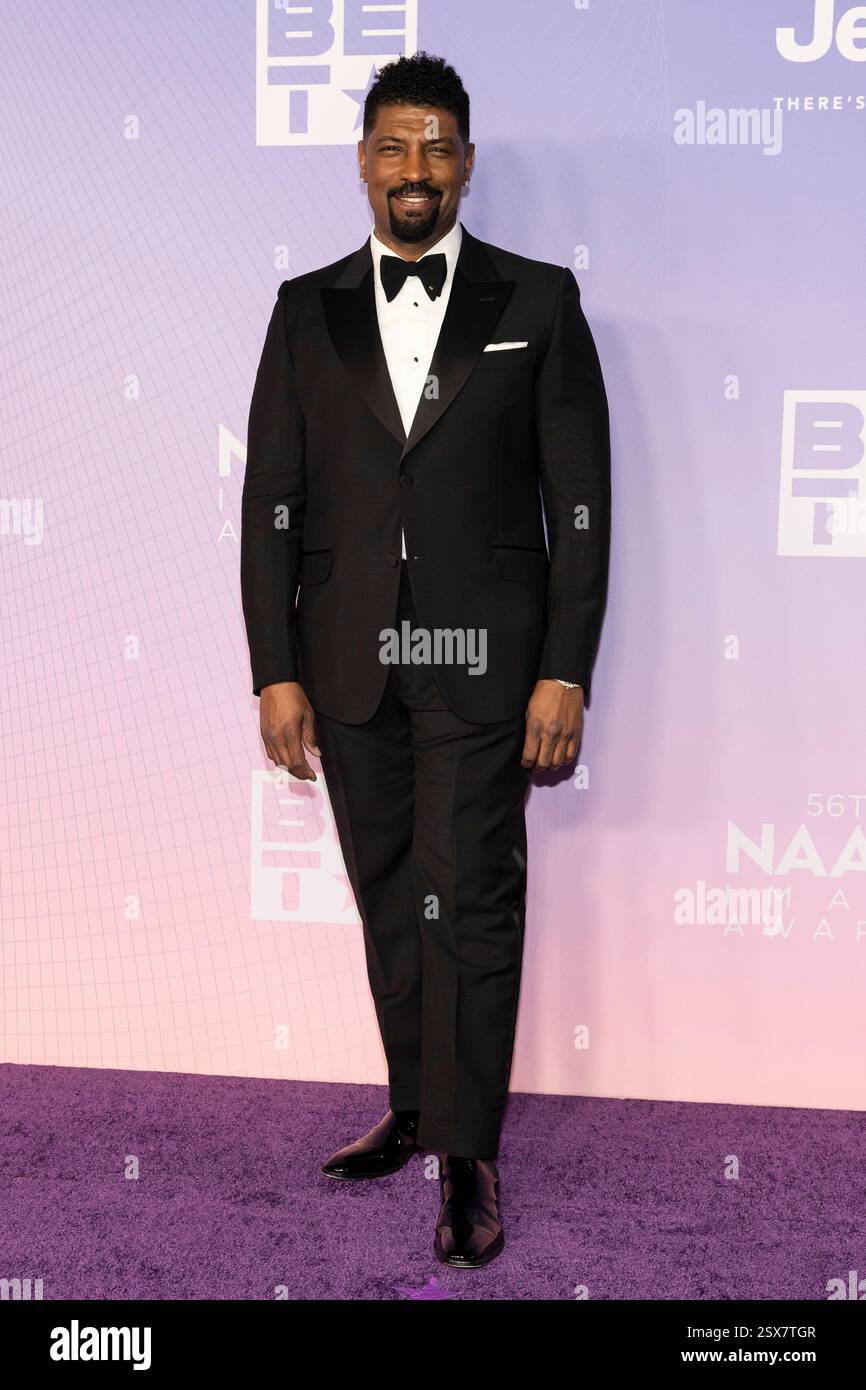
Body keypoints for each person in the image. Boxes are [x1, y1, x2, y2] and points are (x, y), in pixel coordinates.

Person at [240, 51, 611, 1269]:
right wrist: (273, 667)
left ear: (465, 162)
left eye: (436, 146)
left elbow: (580, 507)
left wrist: (563, 669)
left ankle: (467, 1157)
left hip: (484, 665)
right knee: (393, 894)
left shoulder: (538, 303)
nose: (415, 168)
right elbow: (272, 504)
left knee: (474, 906)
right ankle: (412, 1105)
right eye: (393, 145)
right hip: (345, 662)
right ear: (362, 161)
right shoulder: (305, 309)